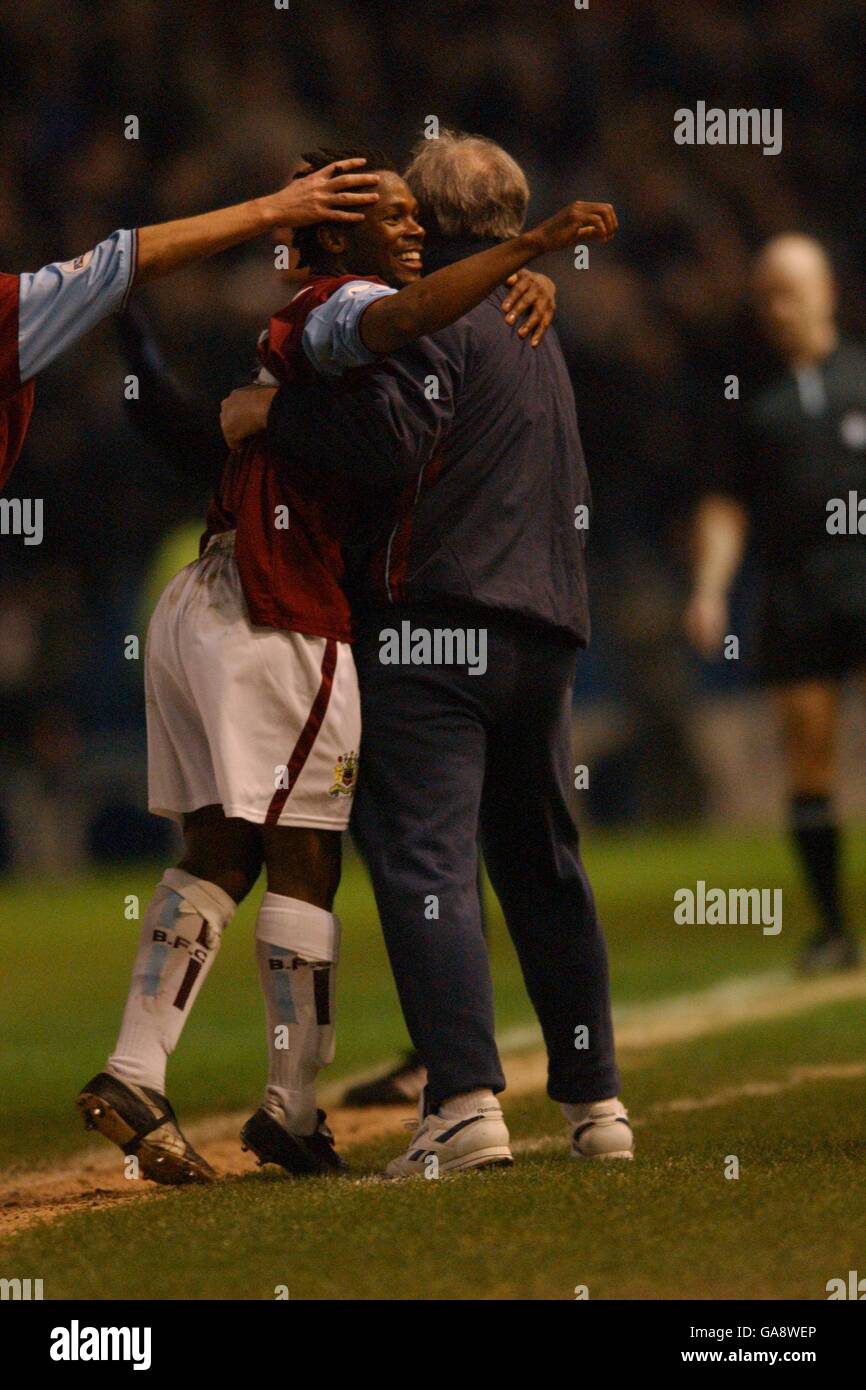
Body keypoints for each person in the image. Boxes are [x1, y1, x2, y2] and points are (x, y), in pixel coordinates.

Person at [78, 145, 614, 1184]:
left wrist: (510, 268)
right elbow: (397, 352)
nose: (414, 231)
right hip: (282, 609)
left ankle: (205, 1086)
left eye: (422, 217)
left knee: (229, 845)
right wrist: (527, 250)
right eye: (394, 215)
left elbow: (210, 428)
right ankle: (264, 1098)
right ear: (335, 235)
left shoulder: (336, 308)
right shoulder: (351, 307)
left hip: (216, 596)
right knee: (299, 858)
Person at [222, 130, 632, 1178]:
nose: (400, 228)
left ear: (438, 224)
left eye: (412, 212)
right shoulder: (531, 319)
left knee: (424, 861)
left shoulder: (436, 313)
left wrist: (274, 411)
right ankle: (596, 1105)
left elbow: (388, 440)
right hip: (545, 624)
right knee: (541, 866)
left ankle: (461, 1100)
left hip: (432, 621)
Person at [685, 235, 866, 973]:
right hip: (798, 588)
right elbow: (725, 507)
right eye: (764, 296)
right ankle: (833, 929)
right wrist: (709, 588)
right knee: (808, 748)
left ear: (827, 292)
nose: (776, 309)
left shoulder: (861, 375)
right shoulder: (749, 401)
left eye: (788, 291)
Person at [0, 159, 381, 491]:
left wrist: (272, 414)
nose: (281, 233)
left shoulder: (361, 320)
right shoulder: (285, 324)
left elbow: (378, 449)